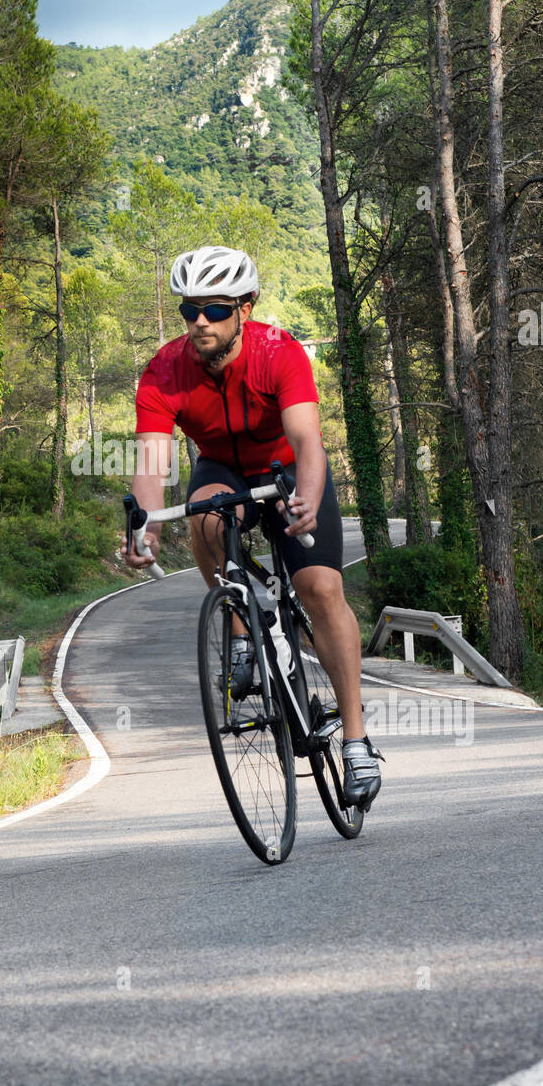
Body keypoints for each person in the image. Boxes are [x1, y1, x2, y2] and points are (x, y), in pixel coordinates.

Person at [119, 245, 384, 811]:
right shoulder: (164, 370)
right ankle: (241, 625)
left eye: (214, 310)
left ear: (245, 306)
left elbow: (310, 440)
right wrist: (143, 526)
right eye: (190, 309)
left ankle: (357, 741)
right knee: (206, 516)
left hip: (287, 468)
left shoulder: (278, 351)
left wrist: (308, 498)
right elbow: (151, 466)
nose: (199, 322)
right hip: (221, 467)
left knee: (320, 589)